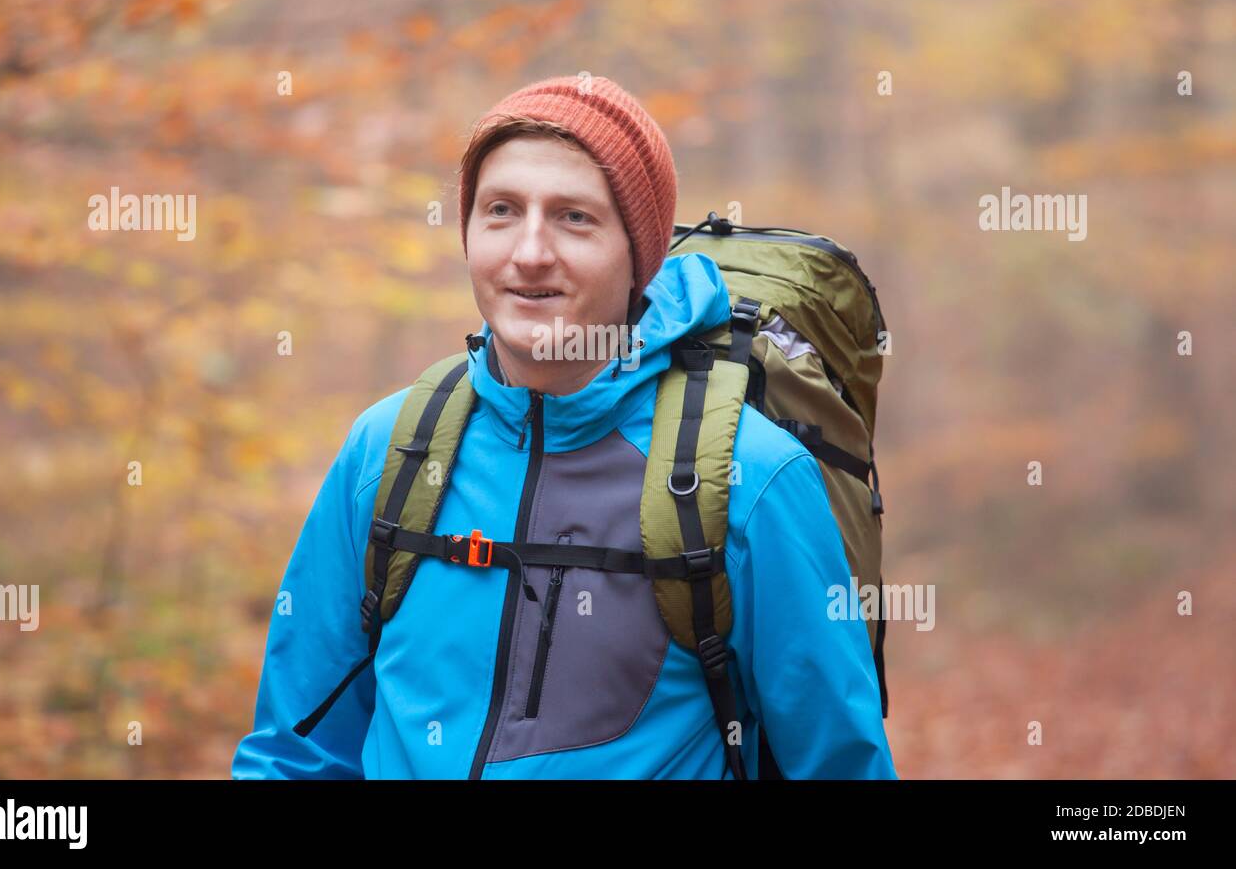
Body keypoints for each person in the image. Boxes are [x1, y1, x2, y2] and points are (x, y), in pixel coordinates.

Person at [232, 75, 897, 779]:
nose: (529, 253)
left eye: (573, 218)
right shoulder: (392, 447)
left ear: (638, 257)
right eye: (500, 211)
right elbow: (294, 749)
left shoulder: (751, 477)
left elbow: (838, 766)